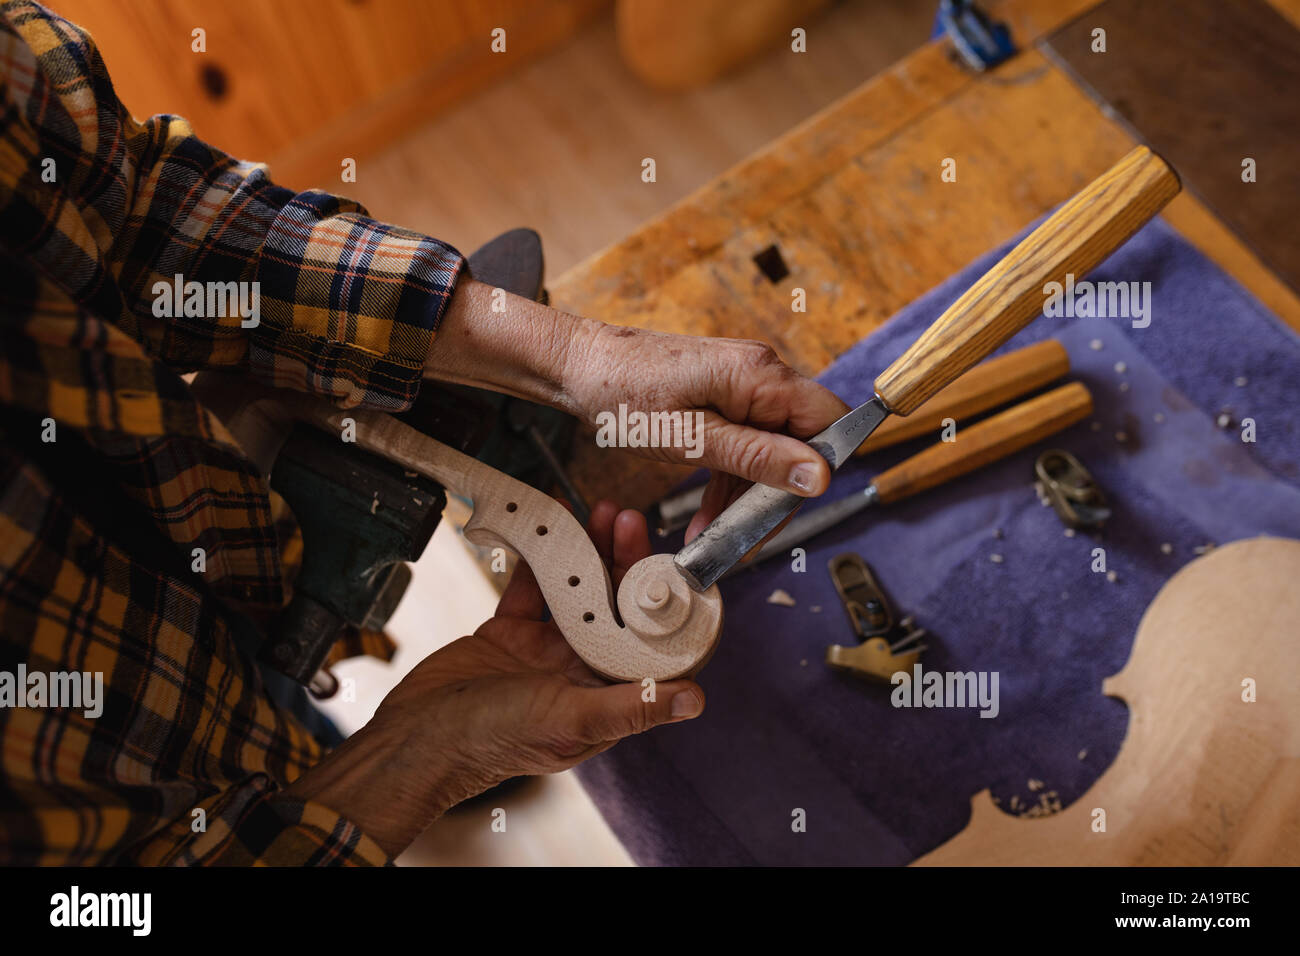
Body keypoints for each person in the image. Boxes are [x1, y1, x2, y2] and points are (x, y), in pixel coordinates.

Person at [0, 0, 848, 864]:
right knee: (272, 788)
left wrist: (574, 358)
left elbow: (135, 200)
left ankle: (323, 748)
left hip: (212, 581)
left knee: (288, 721)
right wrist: (427, 759)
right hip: (141, 788)